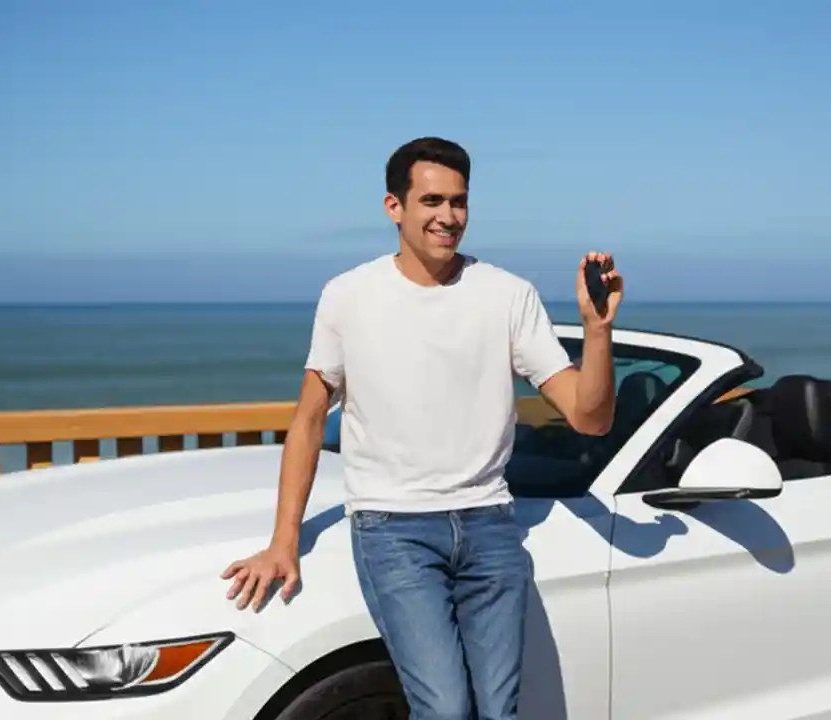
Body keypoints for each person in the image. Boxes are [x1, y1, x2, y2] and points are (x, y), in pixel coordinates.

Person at [221, 136, 622, 719]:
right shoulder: (349, 296)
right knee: (445, 710)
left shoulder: (508, 295)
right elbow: (309, 420)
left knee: (499, 713)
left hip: (490, 526)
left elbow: (591, 418)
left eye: (458, 202)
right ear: (395, 207)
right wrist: (285, 542)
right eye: (432, 201)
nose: (448, 217)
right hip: (394, 530)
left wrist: (598, 330)